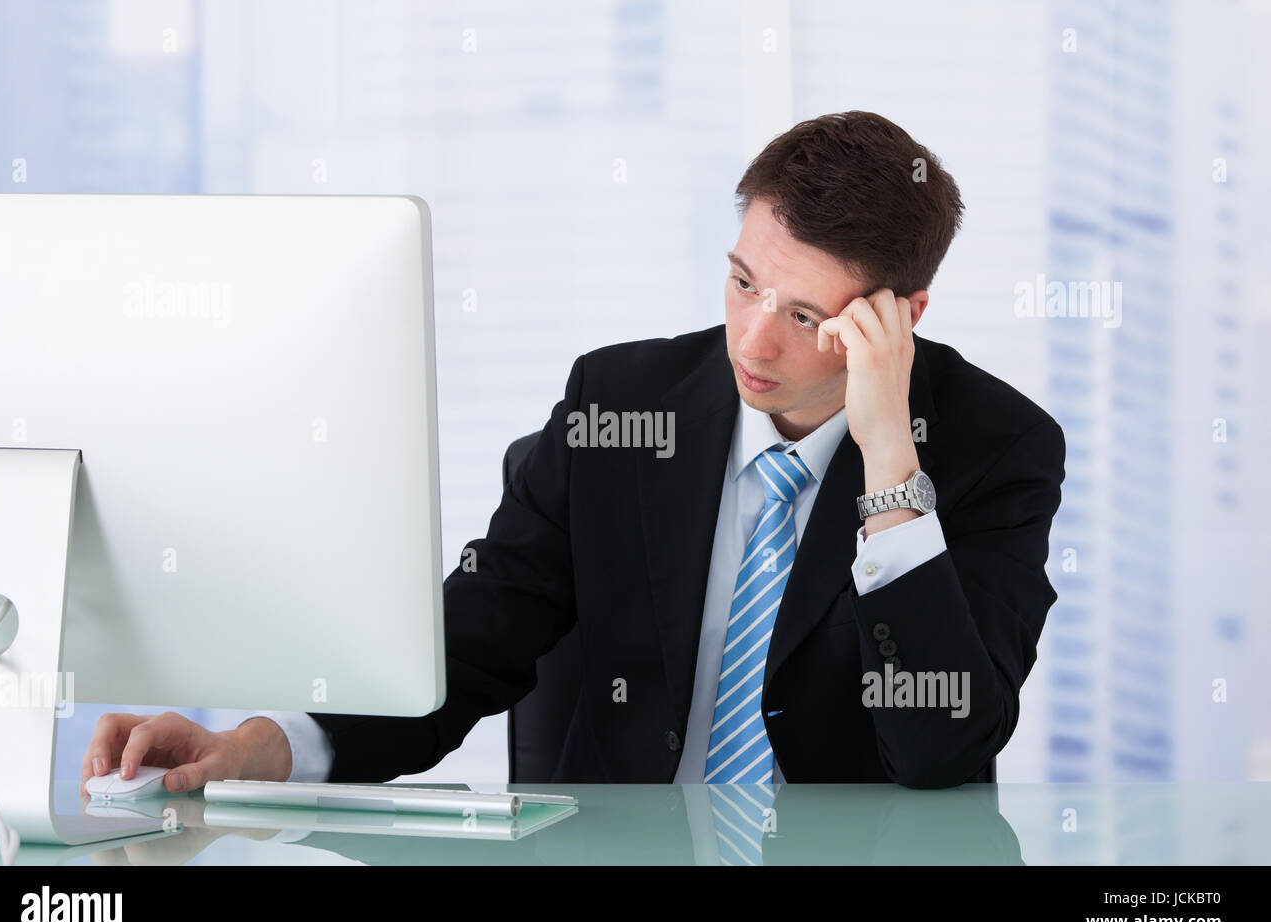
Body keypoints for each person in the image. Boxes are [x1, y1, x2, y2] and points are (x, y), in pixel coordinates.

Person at [82, 111, 1065, 793]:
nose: (751, 341)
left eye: (804, 314)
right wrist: (258, 743)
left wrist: (890, 460)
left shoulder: (994, 447)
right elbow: (475, 636)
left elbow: (939, 747)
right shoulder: (620, 402)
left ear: (899, 317)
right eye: (740, 282)